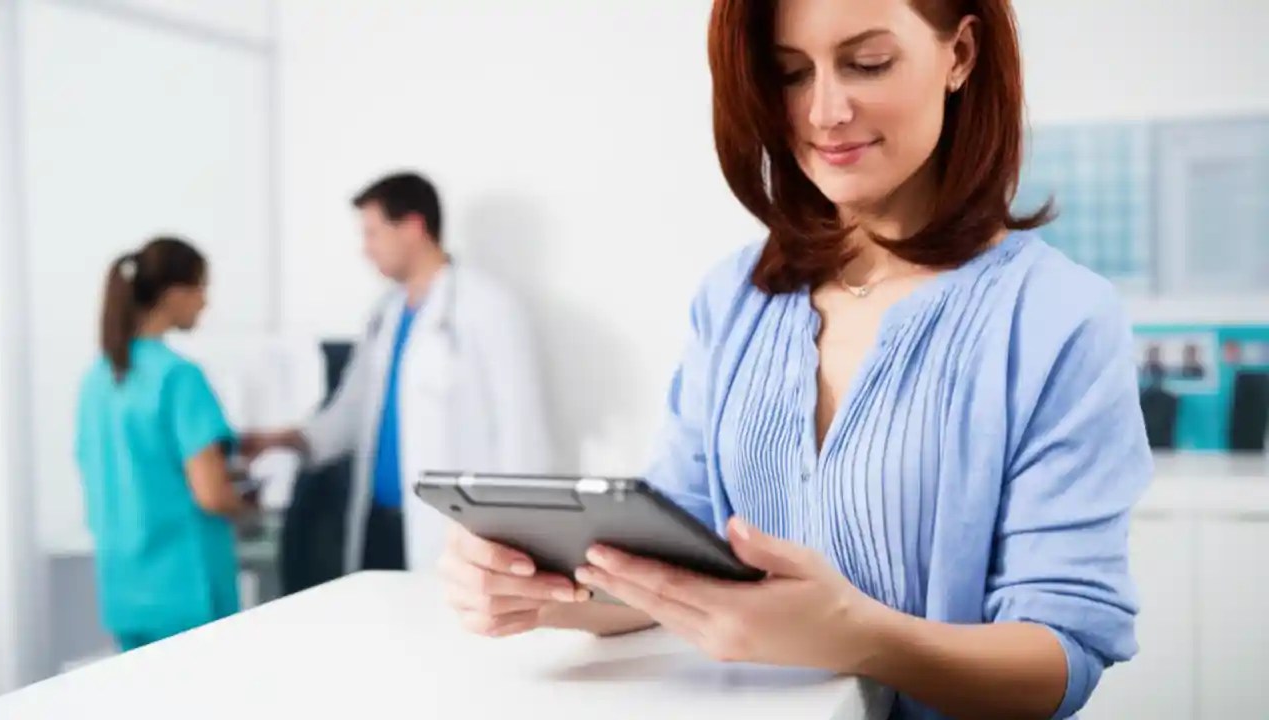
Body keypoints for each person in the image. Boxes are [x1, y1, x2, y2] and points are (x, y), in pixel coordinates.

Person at [437, 1, 1150, 719]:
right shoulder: (737, 298)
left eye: (868, 63)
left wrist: (860, 638)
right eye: (788, 75)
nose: (824, 112)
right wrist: (542, 586)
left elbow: (1062, 653)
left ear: (960, 55)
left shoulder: (1059, 318)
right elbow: (678, 557)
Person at [244, 171, 552, 574]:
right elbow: (350, 414)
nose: (365, 249)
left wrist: (525, 545)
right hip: (379, 525)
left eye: (372, 233)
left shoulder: (488, 307)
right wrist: (286, 439)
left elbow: (522, 434)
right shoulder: (384, 315)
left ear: (412, 227)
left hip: (457, 531)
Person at [75, 238, 252, 651]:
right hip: (185, 593)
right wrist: (248, 508)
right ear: (174, 295)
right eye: (201, 289)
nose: (206, 303)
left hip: (124, 590)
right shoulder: (179, 376)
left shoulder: (98, 380)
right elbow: (211, 495)